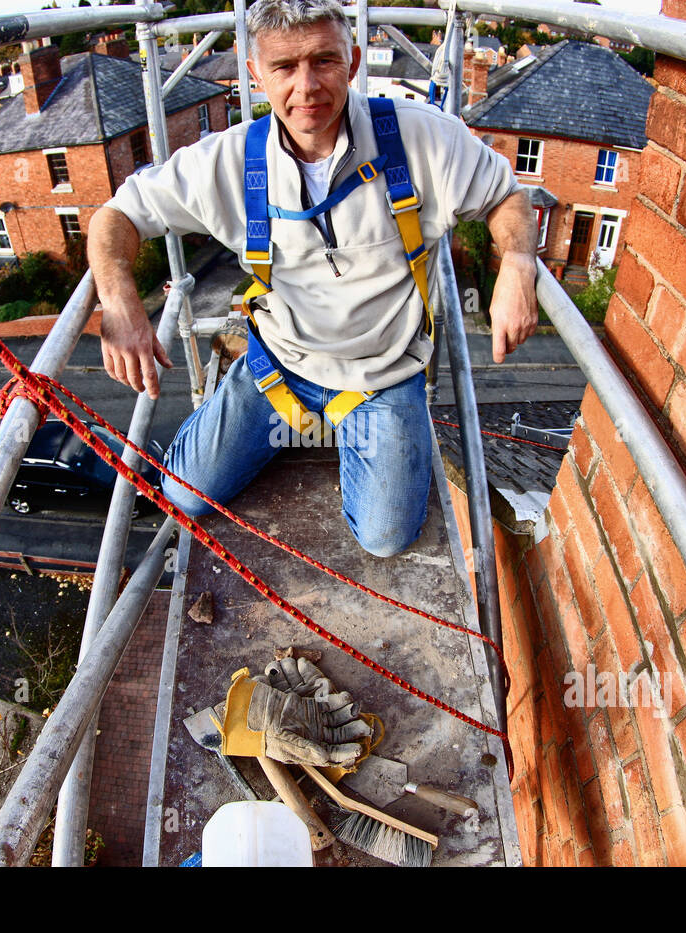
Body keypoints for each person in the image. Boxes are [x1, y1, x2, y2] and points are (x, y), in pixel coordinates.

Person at [88, 0, 538, 557]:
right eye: (283, 66)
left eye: (324, 61)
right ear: (255, 75)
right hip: (282, 363)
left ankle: (348, 435)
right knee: (183, 494)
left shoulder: (420, 139)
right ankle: (283, 423)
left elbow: (507, 196)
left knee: (386, 538)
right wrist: (120, 300)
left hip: (381, 373)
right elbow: (116, 216)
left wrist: (518, 266)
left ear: (351, 64)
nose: (307, 86)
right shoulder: (227, 162)